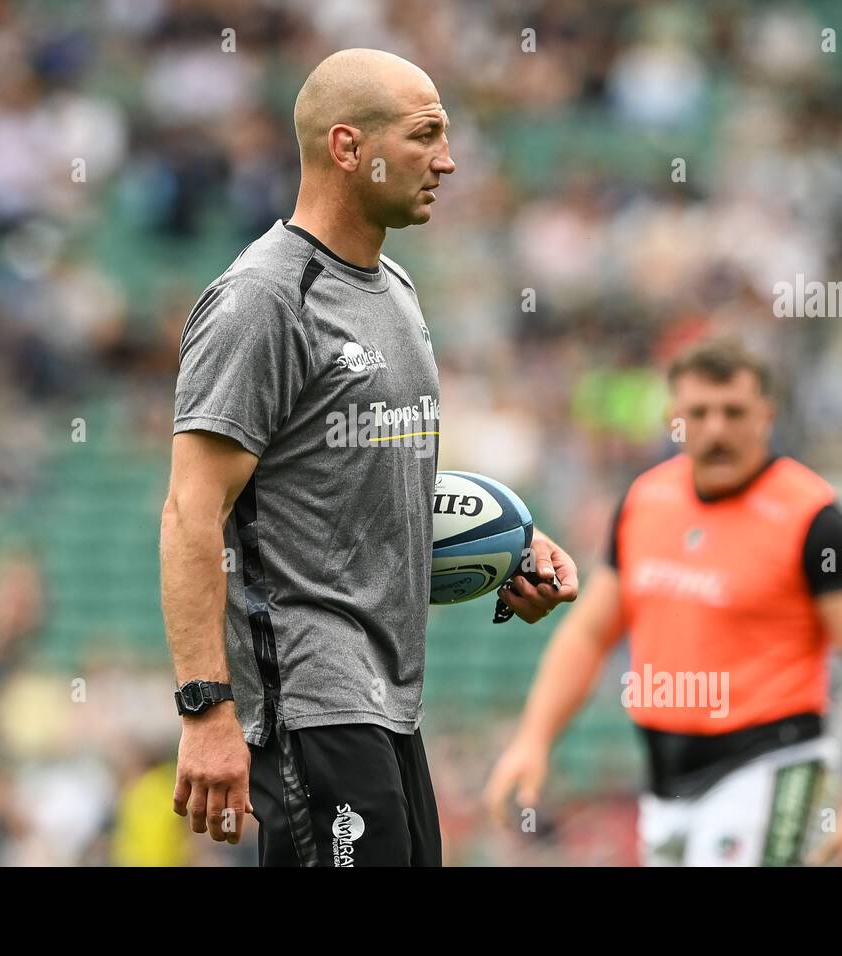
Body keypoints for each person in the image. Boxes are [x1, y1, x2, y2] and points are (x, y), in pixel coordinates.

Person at [160, 48, 578, 867]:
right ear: (349, 148)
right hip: (313, 699)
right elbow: (189, 509)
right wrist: (205, 708)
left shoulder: (396, 289)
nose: (448, 161)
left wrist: (509, 551)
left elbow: (362, 491)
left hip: (391, 702)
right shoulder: (263, 300)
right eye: (426, 136)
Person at [485, 337, 842, 866]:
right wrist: (533, 740)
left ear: (766, 416)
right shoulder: (645, 501)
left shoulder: (814, 518)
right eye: (699, 413)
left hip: (772, 763)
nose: (716, 429)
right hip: (665, 780)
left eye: (734, 412)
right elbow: (589, 633)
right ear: (673, 418)